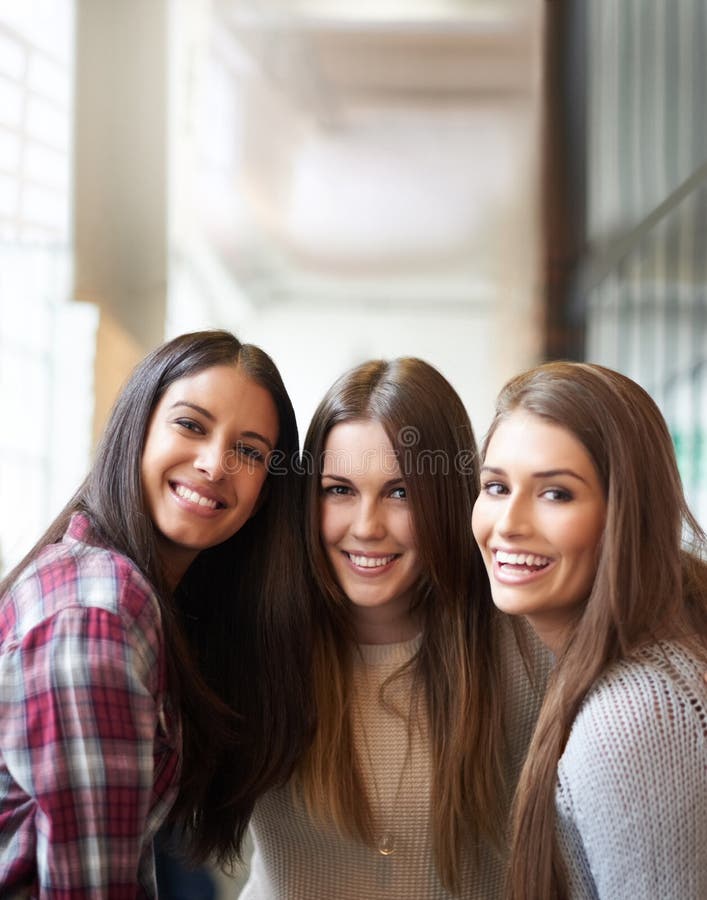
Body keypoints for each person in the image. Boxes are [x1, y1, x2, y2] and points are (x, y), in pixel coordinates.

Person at [0, 330, 313, 898]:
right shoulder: (97, 608)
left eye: (248, 451)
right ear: (137, 427)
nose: (215, 465)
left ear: (267, 492)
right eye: (191, 425)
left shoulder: (143, 599)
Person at [240, 357, 550, 900]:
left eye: (400, 493)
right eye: (339, 490)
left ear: (448, 499)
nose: (366, 527)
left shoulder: (524, 651)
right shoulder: (259, 642)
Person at [472, 361, 707, 900]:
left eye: (557, 494)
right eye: (497, 486)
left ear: (626, 514)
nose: (509, 524)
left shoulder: (636, 717)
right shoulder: (641, 659)